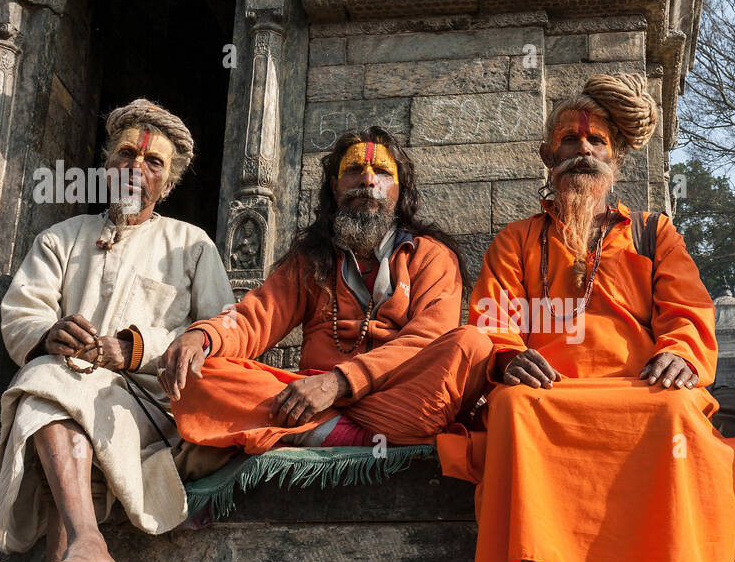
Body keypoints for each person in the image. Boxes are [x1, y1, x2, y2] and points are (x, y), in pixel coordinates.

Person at [439, 73, 735, 562]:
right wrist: (505, 360)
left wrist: (681, 353)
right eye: (570, 140)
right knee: (515, 409)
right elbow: (490, 323)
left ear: (616, 158)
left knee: (673, 416)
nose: (583, 148)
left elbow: (690, 315)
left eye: (597, 140)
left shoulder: (654, 235)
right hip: (550, 395)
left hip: (639, 391)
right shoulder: (518, 239)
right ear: (549, 157)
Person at [0, 98, 233, 562]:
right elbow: (22, 315)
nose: (139, 168)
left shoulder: (192, 245)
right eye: (127, 155)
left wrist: (132, 349)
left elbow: (219, 335)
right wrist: (46, 334)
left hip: (151, 403)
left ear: (169, 179)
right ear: (105, 164)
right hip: (67, 392)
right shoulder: (61, 239)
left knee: (45, 393)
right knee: (50, 387)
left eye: (154, 162)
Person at [163, 127, 491, 450]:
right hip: (316, 398)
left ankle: (316, 429)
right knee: (200, 372)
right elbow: (254, 319)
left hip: (397, 394)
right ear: (335, 187)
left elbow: (429, 339)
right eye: (353, 171)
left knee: (472, 345)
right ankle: (352, 435)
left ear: (399, 190)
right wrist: (203, 337)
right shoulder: (311, 260)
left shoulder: (430, 255)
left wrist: (337, 383)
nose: (367, 180)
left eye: (381, 172)